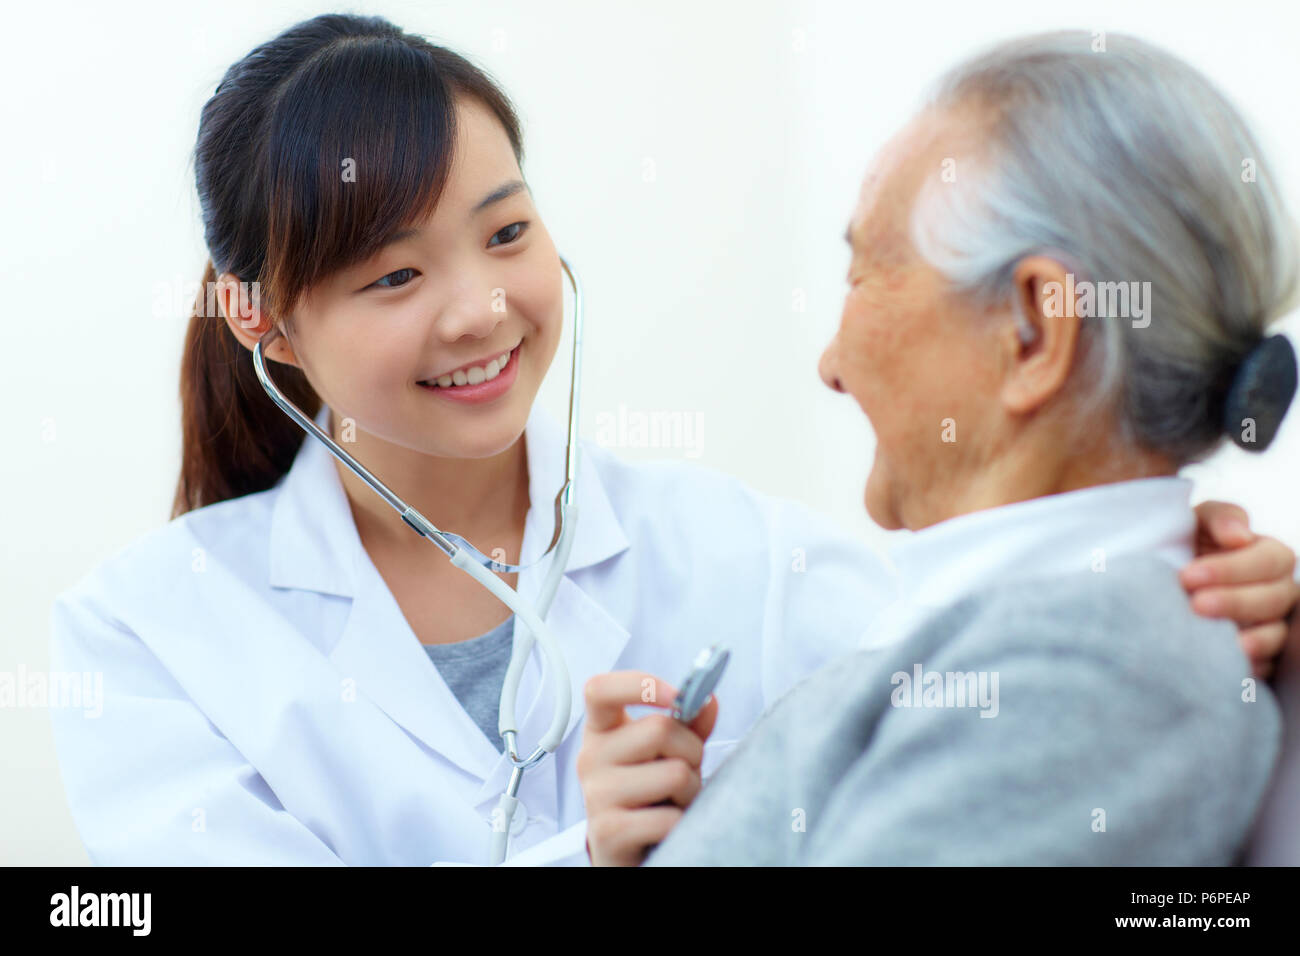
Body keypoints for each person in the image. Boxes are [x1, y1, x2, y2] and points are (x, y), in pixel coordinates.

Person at [49, 16, 1298, 867]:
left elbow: (1002, 661)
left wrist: (1193, 573)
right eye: (392, 275)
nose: (480, 309)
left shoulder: (748, 556)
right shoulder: (147, 631)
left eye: (506, 233)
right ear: (262, 321)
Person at [605, 30, 1300, 866]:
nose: (830, 365)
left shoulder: (1081, 675)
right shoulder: (1008, 635)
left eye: (864, 276)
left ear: (1032, 332)